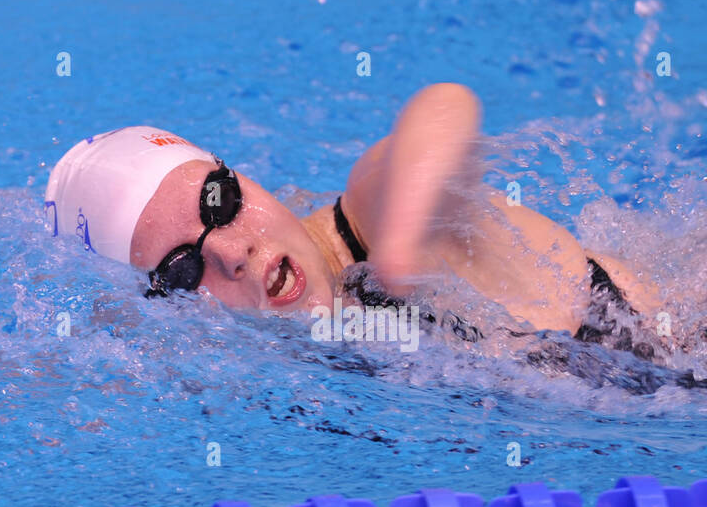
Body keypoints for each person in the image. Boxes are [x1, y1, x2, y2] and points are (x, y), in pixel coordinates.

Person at [43, 83, 661, 340]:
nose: (232, 254)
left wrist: (396, 247)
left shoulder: (370, 214)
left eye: (218, 202)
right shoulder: (251, 352)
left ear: (241, 176)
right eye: (183, 271)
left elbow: (445, 107)